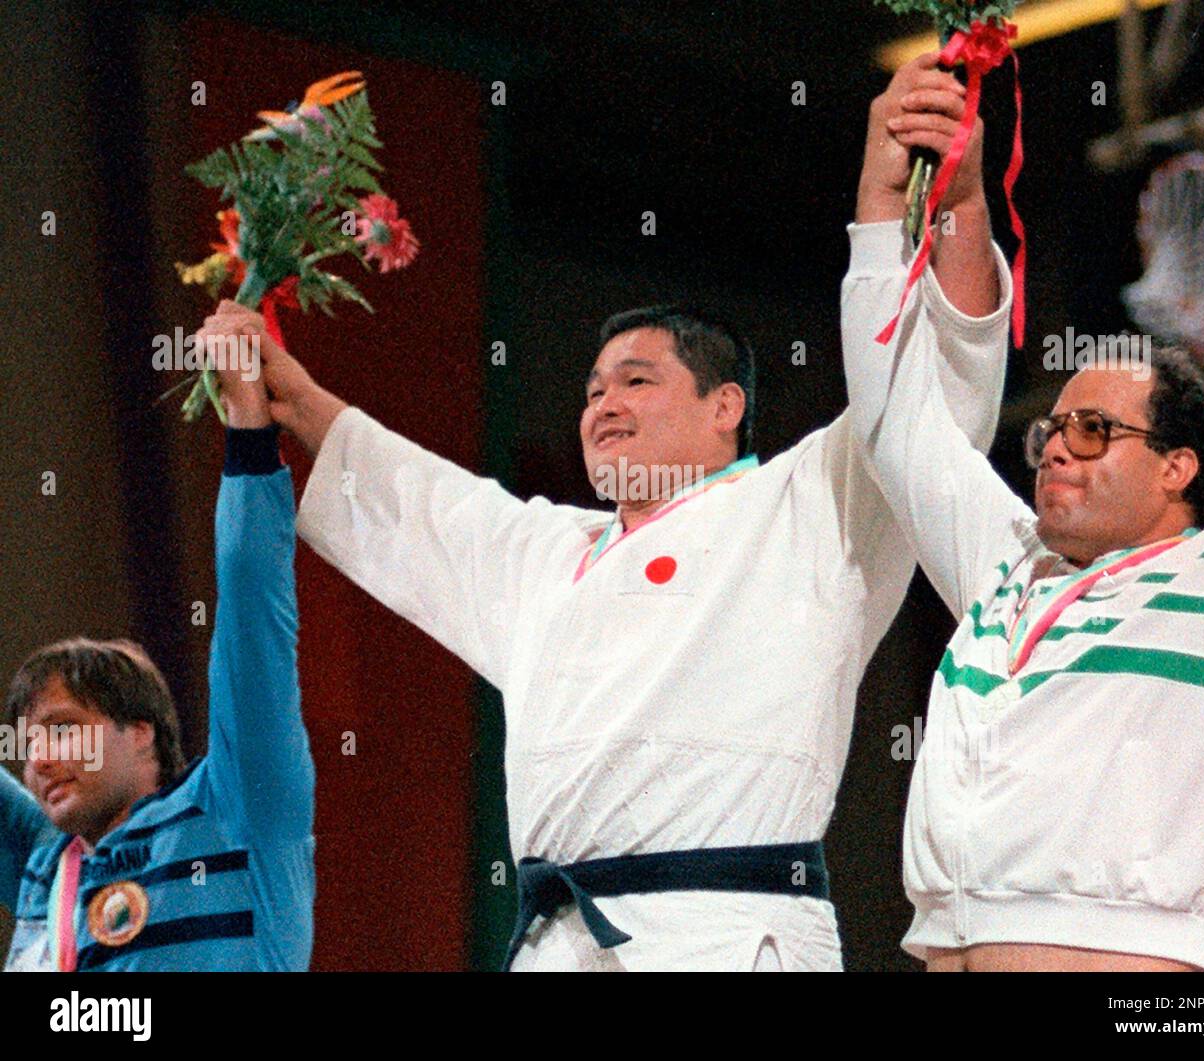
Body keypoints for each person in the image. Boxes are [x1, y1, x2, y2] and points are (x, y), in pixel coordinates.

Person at [198, 52, 1011, 971]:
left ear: (726, 407)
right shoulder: (552, 553)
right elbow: (421, 498)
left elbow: (929, 406)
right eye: (590, 390)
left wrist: (949, 207)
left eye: (636, 380)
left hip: (728, 938)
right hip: (557, 943)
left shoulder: (807, 506)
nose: (602, 404)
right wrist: (287, 388)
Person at [843, 65, 1204, 971]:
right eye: (1055, 427)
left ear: (1179, 468)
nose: (1055, 446)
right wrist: (892, 192)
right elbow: (895, 415)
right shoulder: (1006, 567)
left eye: (1095, 430)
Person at [0, 361, 315, 971]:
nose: (36, 760)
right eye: (28, 740)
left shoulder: (235, 812)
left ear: (140, 731)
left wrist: (249, 430)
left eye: (63, 730)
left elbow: (253, 613)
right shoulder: (46, 859)